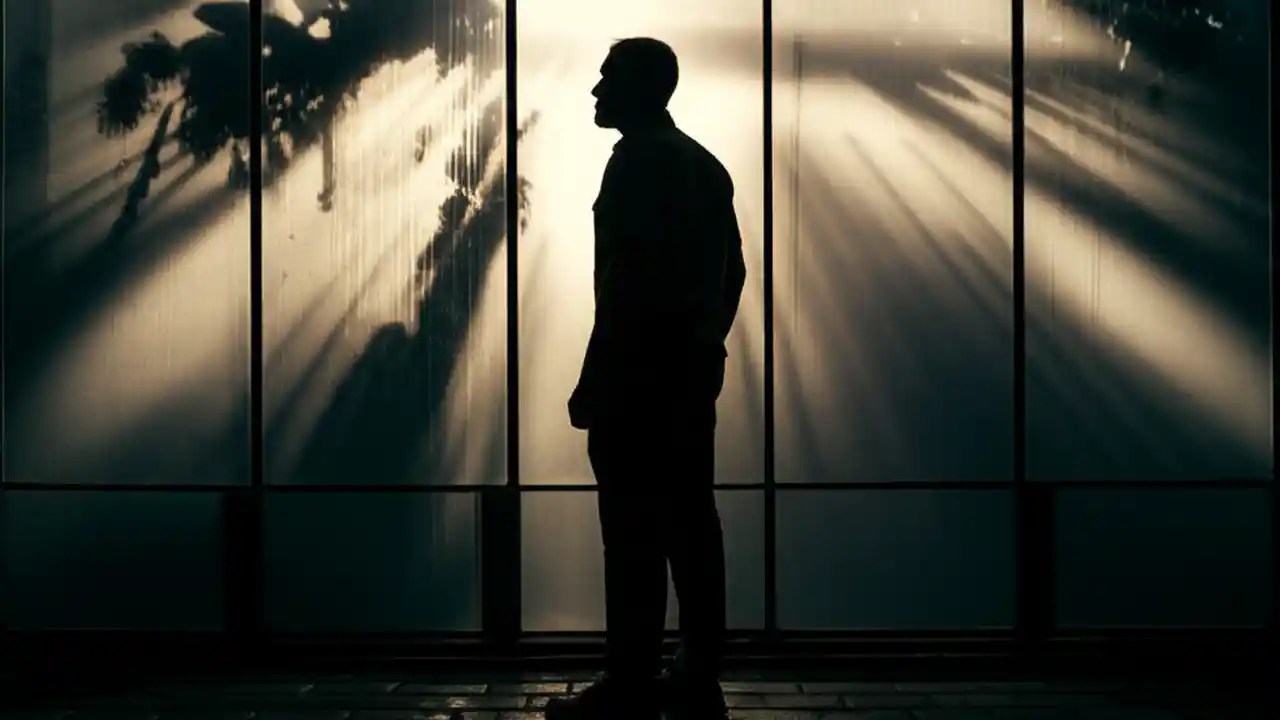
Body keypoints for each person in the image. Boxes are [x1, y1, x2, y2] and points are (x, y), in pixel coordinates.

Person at [546, 37, 746, 720]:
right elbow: (734, 274)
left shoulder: (636, 166)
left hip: (636, 379)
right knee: (691, 522)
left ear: (644, 87)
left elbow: (625, 287)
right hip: (688, 379)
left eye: (609, 79)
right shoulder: (704, 167)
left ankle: (629, 679)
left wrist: (599, 375)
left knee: (631, 530)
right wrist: (705, 346)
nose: (597, 91)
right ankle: (697, 671)